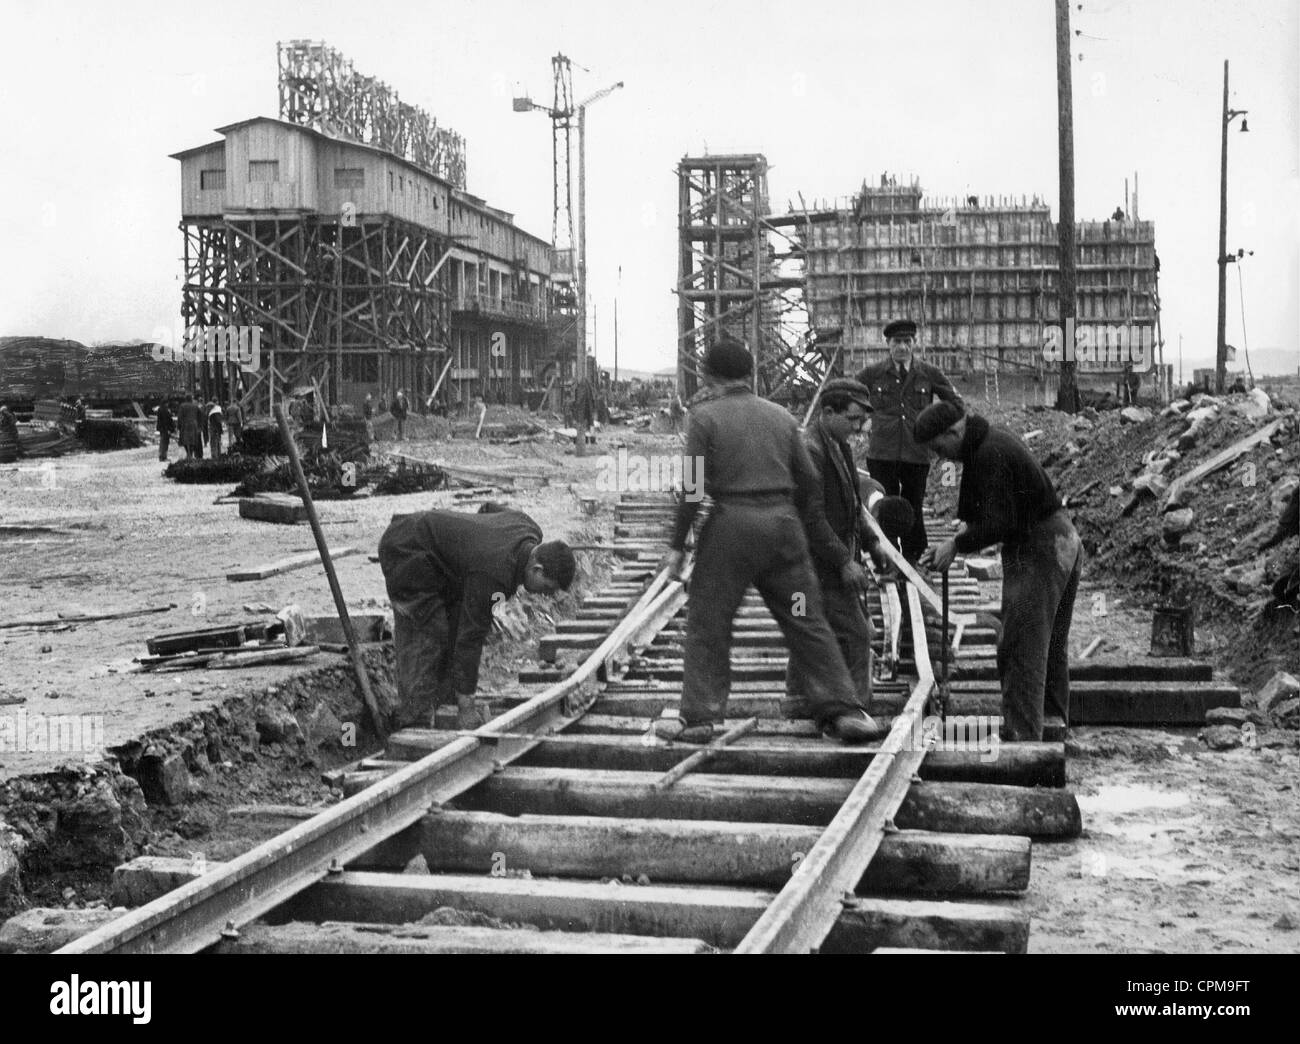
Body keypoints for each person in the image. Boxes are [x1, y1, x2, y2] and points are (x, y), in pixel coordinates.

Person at [656, 338, 879, 745]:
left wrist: (678, 544)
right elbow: (810, 480)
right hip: (783, 533)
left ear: (708, 377)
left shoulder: (704, 418)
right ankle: (845, 710)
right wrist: (787, 516)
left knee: (709, 618)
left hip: (730, 532)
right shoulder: (781, 417)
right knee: (805, 617)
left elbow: (691, 488)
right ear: (749, 376)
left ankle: (701, 716)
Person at [913, 401, 1083, 742]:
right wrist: (956, 540)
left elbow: (1000, 522)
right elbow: (993, 514)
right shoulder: (988, 443)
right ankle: (1051, 725)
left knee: (1021, 645)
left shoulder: (989, 453)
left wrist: (956, 546)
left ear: (954, 431)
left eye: (938, 447)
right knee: (1046, 644)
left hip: (1041, 546)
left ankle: (1024, 737)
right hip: (1061, 539)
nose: (939, 457)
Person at [378, 508, 576, 729]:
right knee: (428, 633)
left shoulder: (529, 528)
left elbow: (489, 509)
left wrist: (468, 547)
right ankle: (413, 720)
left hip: (435, 558)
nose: (545, 595)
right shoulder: (494, 575)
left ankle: (446, 702)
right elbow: (470, 639)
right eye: (547, 588)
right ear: (537, 569)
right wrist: (467, 709)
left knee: (455, 625)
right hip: (406, 549)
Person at [855, 318, 963, 563]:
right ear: (888, 344)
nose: (902, 347)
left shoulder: (928, 373)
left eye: (907, 341)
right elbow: (847, 394)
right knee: (885, 508)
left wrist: (938, 430)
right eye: (897, 342)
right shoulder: (873, 374)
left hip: (917, 453)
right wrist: (861, 421)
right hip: (882, 453)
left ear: (915, 343)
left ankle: (915, 560)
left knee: (914, 506)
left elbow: (956, 404)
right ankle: (888, 559)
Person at [177, 394, 205, 459]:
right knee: (193, 440)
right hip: (194, 425)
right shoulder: (195, 406)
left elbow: (180, 417)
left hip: (185, 425)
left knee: (184, 440)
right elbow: (201, 415)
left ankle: (188, 453)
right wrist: (200, 425)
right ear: (191, 399)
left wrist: (179, 426)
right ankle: (191, 453)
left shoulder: (182, 406)